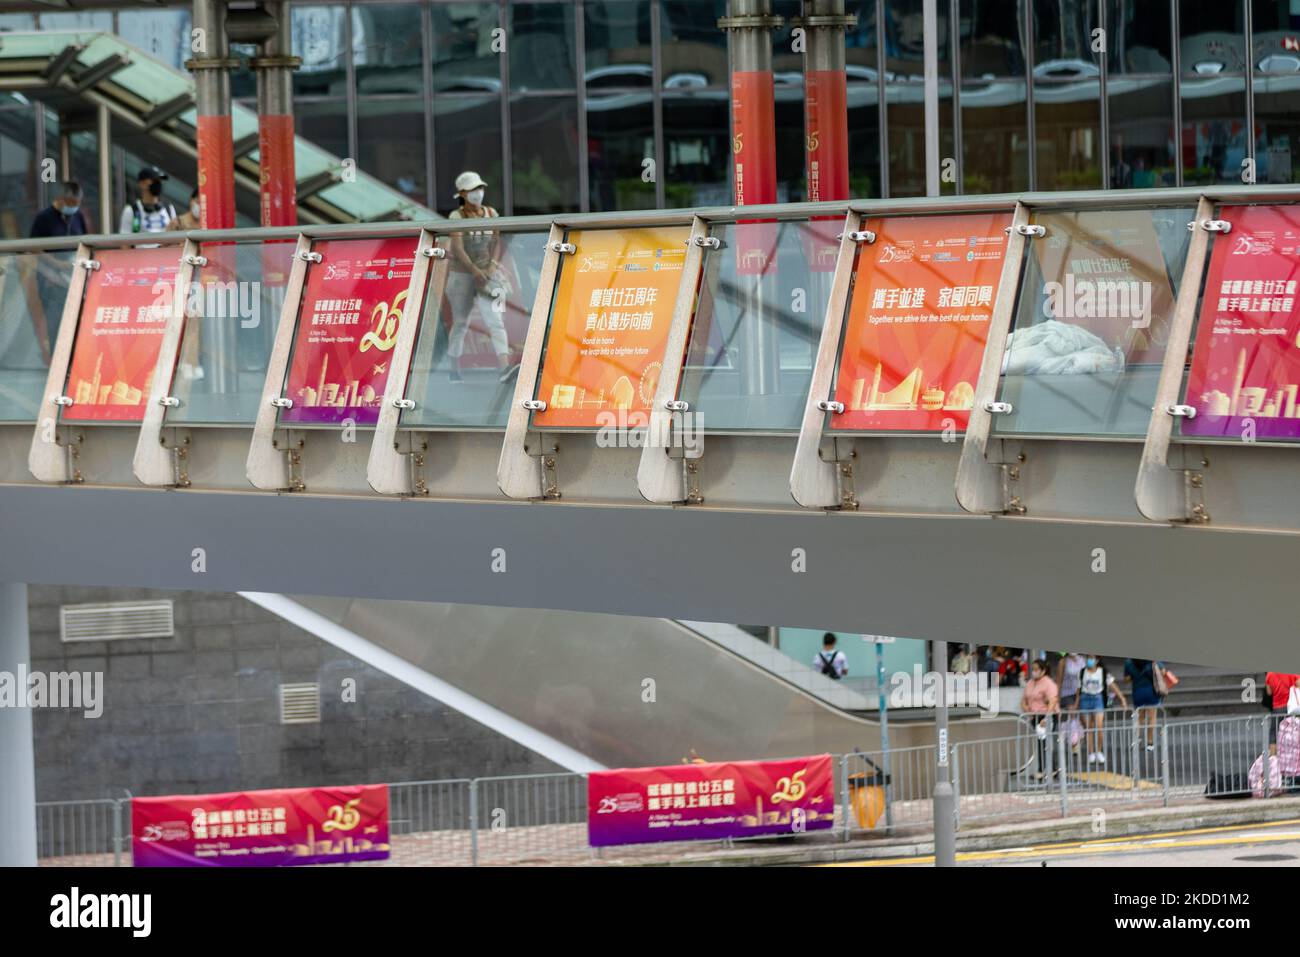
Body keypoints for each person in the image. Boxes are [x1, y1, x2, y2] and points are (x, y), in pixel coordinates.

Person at [444, 171, 516, 383]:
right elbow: (457, 248)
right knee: (460, 323)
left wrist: (492, 266)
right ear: (463, 193)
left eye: (480, 188)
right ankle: (453, 368)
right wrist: (474, 271)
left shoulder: (491, 213)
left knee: (495, 320)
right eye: (473, 190)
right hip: (462, 274)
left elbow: (498, 241)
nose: (478, 193)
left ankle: (504, 367)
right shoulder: (456, 217)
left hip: (487, 271)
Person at [25, 181, 87, 361]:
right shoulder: (44, 218)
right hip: (50, 278)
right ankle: (57, 362)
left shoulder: (78, 216)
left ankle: (74, 361)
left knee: (76, 320)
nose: (74, 207)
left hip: (73, 276)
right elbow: (34, 247)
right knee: (55, 322)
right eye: (71, 203)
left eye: (77, 204)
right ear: (61, 198)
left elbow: (85, 240)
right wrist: (56, 264)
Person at [1078, 656, 1127, 766]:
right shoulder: (1082, 672)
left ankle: (1099, 751)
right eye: (1087, 658)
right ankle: (1091, 753)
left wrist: (1122, 698)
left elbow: (1113, 685)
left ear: (1096, 660)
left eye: (1091, 658)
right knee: (1088, 728)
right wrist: (1076, 704)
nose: (1088, 661)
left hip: (1098, 699)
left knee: (1099, 726)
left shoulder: (1103, 672)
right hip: (1085, 699)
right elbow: (1078, 689)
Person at [1021, 658, 1060, 781]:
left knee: (1046, 743)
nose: (1034, 672)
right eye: (1032, 669)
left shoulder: (1048, 683)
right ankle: (1046, 769)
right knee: (1040, 743)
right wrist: (1027, 709)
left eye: (1036, 669)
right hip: (1035, 716)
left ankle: (1048, 769)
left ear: (1043, 671)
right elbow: (1024, 700)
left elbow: (1053, 701)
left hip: (1046, 716)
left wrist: (1047, 718)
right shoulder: (1030, 683)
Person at [119, 166, 177, 234]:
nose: (159, 183)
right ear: (142, 184)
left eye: (160, 181)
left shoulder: (169, 209)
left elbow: (176, 237)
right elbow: (124, 242)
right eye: (154, 181)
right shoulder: (131, 211)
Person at [1123, 658, 1165, 751]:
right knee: (1152, 717)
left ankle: (1136, 740)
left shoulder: (1129, 662)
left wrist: (1136, 676)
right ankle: (1150, 743)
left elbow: (1126, 679)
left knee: (1139, 718)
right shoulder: (1153, 659)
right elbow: (1163, 671)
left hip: (1138, 692)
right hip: (1151, 692)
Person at [1264, 672, 1300, 752]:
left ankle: (1273, 758)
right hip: (1292, 707)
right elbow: (1299, 684)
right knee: (1296, 730)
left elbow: (1269, 692)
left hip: (1278, 708)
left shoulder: (1270, 674)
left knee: (1274, 732)